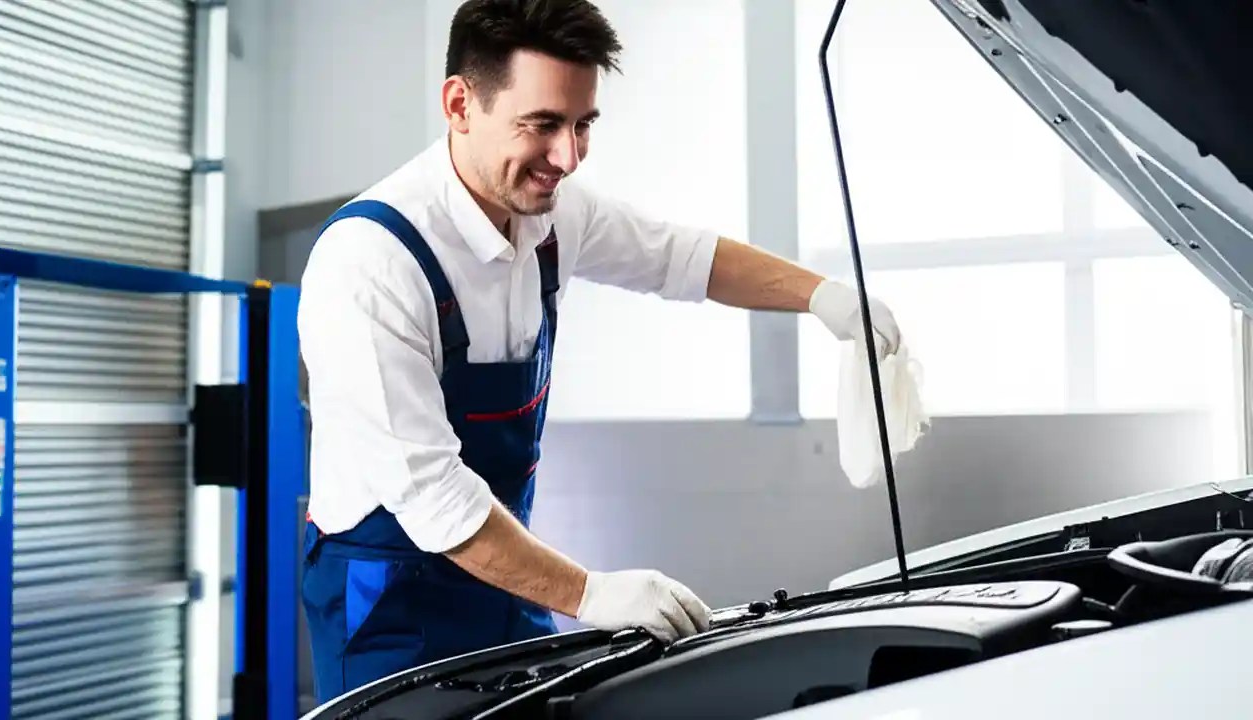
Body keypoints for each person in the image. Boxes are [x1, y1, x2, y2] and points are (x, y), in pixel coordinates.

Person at [297, 0, 903, 703]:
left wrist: (827, 297)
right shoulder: (370, 263)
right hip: (387, 601)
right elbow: (433, 499)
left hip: (505, 569)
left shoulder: (552, 214)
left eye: (583, 125)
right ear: (461, 104)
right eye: (543, 125)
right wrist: (591, 592)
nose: (568, 157)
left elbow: (681, 258)